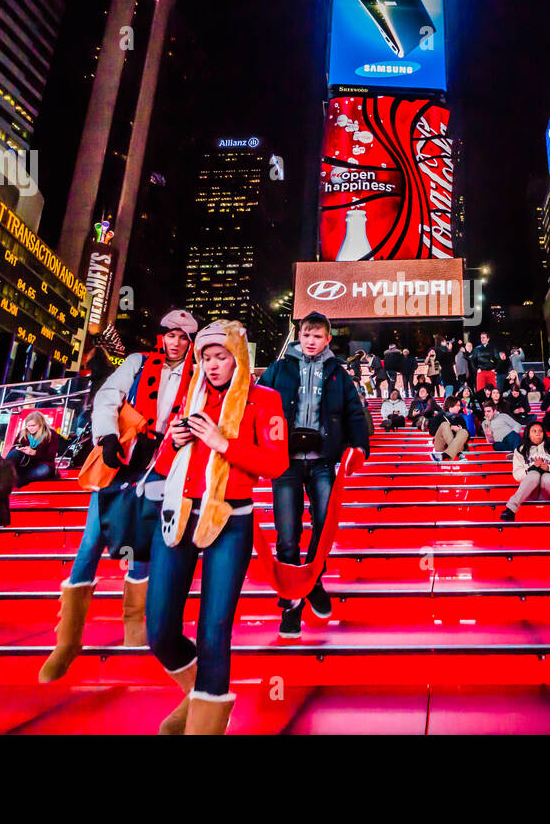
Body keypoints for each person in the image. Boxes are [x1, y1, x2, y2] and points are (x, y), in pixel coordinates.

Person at [38, 309, 200, 684]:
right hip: (124, 456)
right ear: (162, 336)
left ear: (190, 341)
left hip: (166, 462)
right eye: (170, 334)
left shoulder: (198, 374)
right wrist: (107, 435)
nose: (175, 342)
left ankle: (133, 629)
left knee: (142, 543)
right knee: (92, 540)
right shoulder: (138, 362)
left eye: (182, 337)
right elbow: (108, 395)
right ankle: (68, 641)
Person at [145, 320, 289, 734]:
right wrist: (171, 444)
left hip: (231, 519)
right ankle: (196, 696)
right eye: (205, 357)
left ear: (237, 358)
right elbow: (162, 467)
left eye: (220, 357)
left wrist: (223, 443)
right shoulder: (190, 397)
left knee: (213, 629)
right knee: (159, 631)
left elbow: (276, 463)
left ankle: (206, 725)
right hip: (178, 515)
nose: (211, 365)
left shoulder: (265, 399)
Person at [259, 311, 369, 639]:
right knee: (287, 535)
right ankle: (291, 604)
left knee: (324, 527)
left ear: (327, 340)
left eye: (317, 336)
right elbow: (258, 405)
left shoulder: (338, 373)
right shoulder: (280, 368)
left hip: (323, 460)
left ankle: (312, 581)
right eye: (306, 335)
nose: (311, 341)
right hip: (286, 461)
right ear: (299, 336)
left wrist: (360, 446)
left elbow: (354, 412)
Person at [500, 422, 550, 521]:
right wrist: (531, 468)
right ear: (528, 434)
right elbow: (517, 475)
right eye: (534, 431)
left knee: (547, 476)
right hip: (529, 492)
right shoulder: (520, 450)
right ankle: (511, 509)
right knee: (534, 474)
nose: (538, 434)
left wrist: (549, 468)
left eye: (541, 431)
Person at [6, 411, 59, 486]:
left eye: (33, 425)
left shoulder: (51, 434)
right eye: (28, 426)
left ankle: (17, 480)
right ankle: (0, 474)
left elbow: (50, 457)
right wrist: (18, 448)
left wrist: (35, 453)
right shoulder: (23, 433)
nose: (30, 428)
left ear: (41, 424)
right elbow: (13, 448)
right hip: (25, 463)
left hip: (42, 464)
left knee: (43, 471)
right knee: (14, 453)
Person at [429, 395, 470, 462]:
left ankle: (443, 455)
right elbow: (431, 431)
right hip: (441, 444)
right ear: (450, 405)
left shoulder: (460, 418)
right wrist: (450, 427)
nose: (459, 408)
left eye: (459, 406)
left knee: (464, 431)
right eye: (457, 405)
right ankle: (458, 453)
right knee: (445, 425)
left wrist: (460, 430)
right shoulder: (439, 416)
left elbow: (467, 437)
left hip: (458, 444)